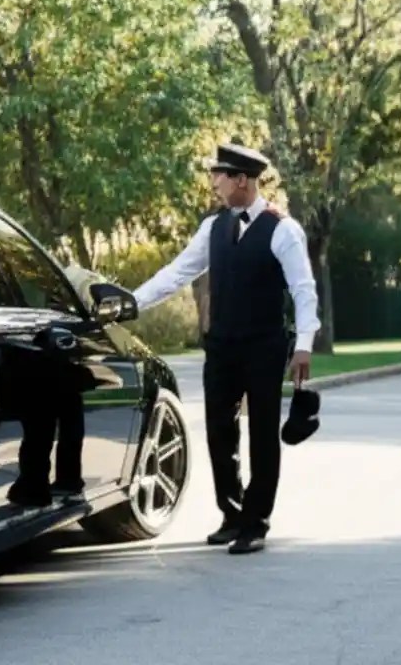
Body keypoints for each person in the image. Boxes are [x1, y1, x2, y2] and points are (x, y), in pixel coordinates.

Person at [133, 143, 320, 555]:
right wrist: (132, 302)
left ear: (242, 180)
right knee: (219, 431)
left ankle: (255, 522)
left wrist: (304, 345)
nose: (214, 182)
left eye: (220, 175)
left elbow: (304, 292)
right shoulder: (213, 227)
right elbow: (177, 272)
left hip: (265, 347)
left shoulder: (282, 229)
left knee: (262, 435)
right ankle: (231, 513)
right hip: (221, 348)